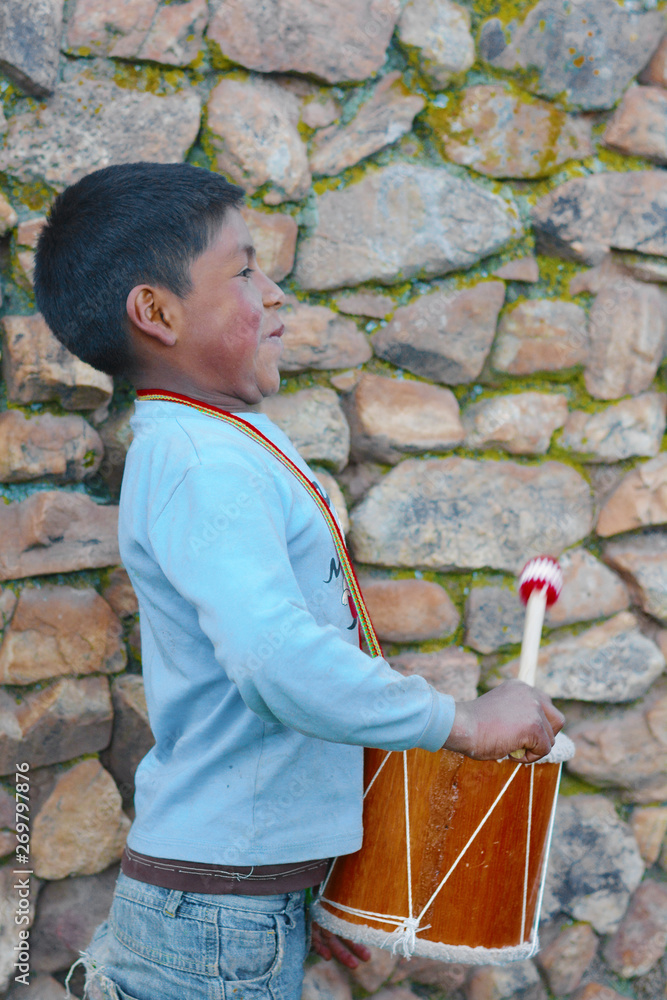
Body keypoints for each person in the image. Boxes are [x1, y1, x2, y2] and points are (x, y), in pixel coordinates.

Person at [34, 162, 564, 1000]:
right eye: (243, 269)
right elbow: (276, 658)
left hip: (232, 900)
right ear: (157, 313)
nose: (274, 291)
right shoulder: (202, 459)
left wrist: (296, 875)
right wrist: (458, 721)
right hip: (214, 922)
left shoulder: (217, 440)